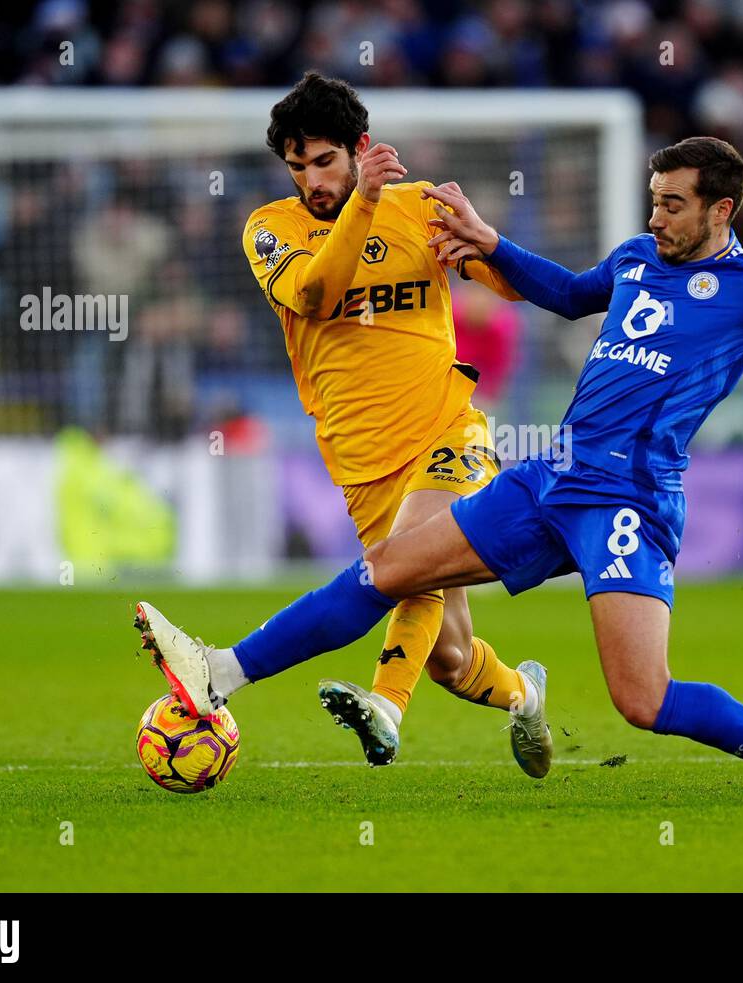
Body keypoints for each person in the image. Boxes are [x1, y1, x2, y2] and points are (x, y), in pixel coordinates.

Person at [138, 136, 743, 802]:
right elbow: (568, 296)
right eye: (653, 198)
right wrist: (488, 240)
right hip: (551, 476)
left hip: (629, 499)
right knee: (386, 571)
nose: (655, 215)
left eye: (673, 203)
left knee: (644, 700)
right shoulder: (636, 256)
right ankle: (218, 671)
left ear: (722, 208)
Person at [138, 72, 552, 777]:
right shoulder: (270, 228)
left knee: (411, 557)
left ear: (360, 148)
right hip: (361, 460)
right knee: (452, 658)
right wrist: (360, 204)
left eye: (324, 161)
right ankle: (525, 695)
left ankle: (379, 704)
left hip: (447, 426)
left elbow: (515, 290)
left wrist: (485, 244)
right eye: (297, 166)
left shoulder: (420, 206)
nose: (312, 180)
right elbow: (317, 292)